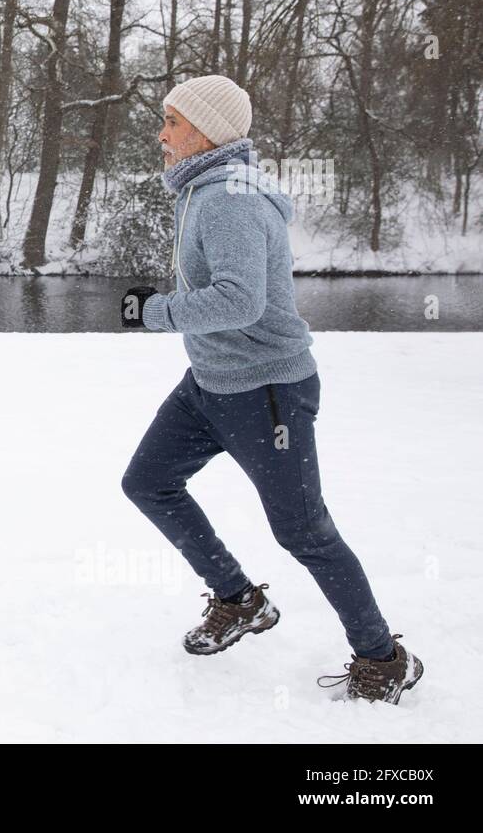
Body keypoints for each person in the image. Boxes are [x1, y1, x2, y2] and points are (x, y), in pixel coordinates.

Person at [118, 74, 423, 705]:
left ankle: (382, 658)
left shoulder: (230, 197)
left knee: (304, 532)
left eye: (171, 121)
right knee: (147, 481)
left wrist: (156, 312)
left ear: (203, 131)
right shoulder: (203, 189)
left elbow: (238, 300)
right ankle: (239, 599)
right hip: (207, 385)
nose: (162, 132)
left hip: (268, 391)